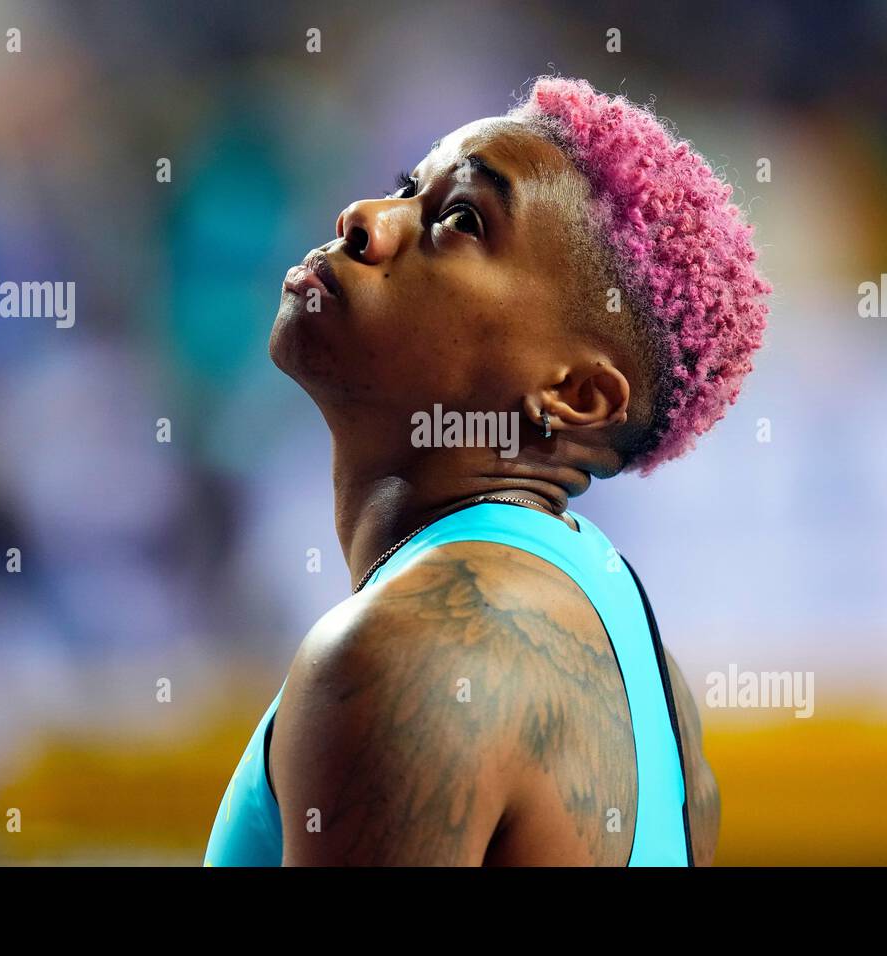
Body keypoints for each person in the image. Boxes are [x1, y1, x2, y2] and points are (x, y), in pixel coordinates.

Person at [205, 74, 771, 866]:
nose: (364, 220)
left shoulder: (409, 653)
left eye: (460, 220)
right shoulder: (649, 679)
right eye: (407, 188)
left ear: (572, 394)